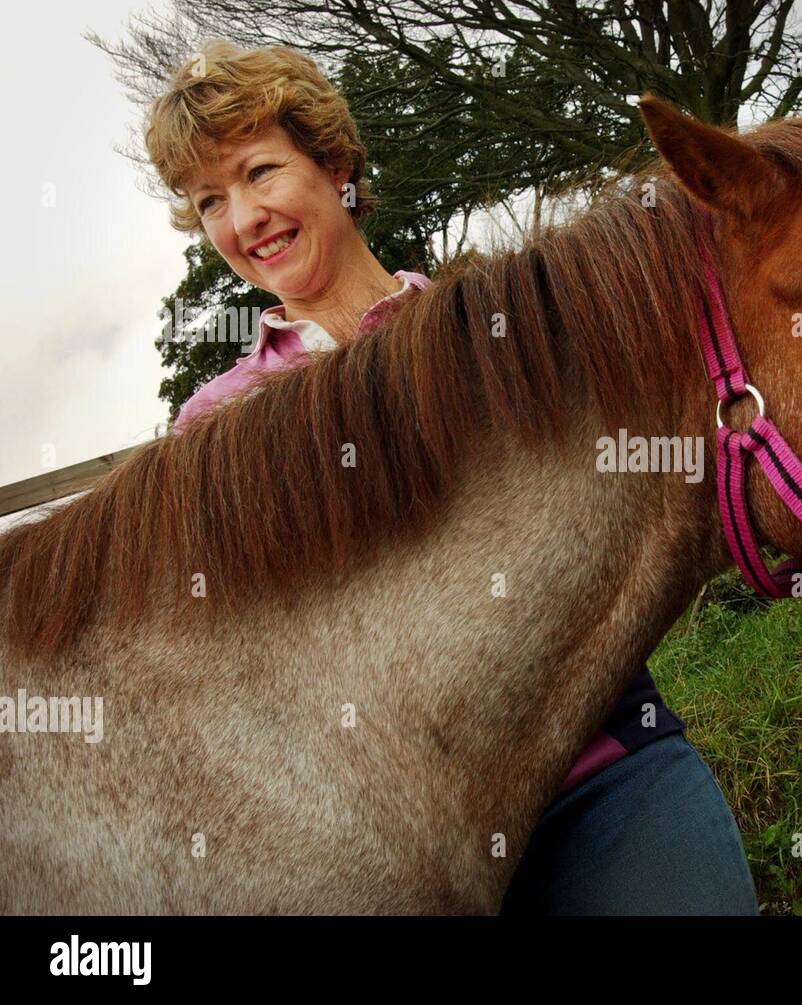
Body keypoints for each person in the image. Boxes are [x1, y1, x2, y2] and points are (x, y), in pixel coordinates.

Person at [144, 39, 758, 915]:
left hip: (598, 773)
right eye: (210, 200)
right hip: (389, 848)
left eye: (259, 172)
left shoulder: (495, 324)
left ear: (335, 164)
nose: (243, 219)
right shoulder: (215, 425)